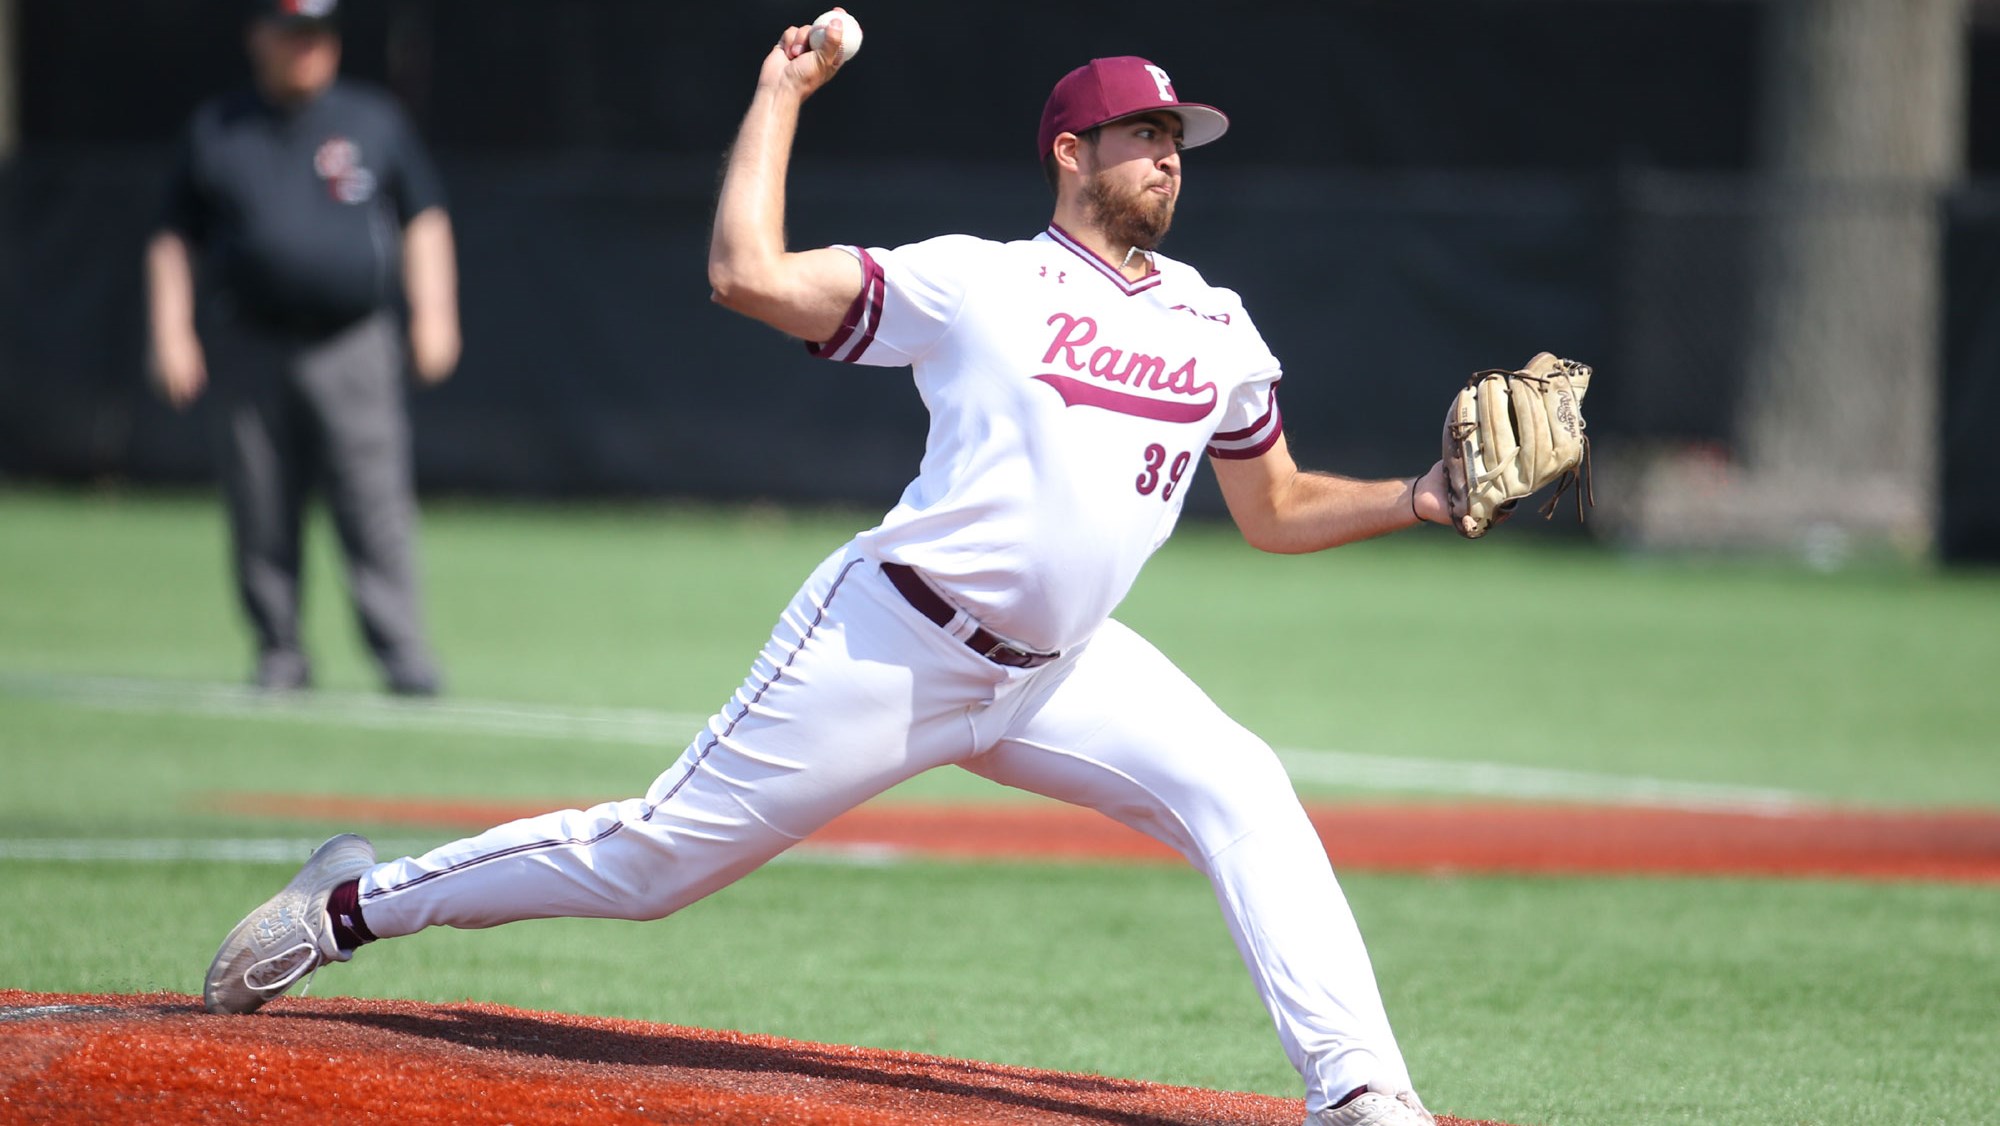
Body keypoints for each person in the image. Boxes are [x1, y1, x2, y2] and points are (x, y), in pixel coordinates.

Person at [201, 14, 1453, 1126]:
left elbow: (1275, 505)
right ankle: (353, 903)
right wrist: (780, 95)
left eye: (1175, 133)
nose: (1166, 151)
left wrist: (1422, 494)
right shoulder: (980, 281)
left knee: (1239, 783)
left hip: (1063, 669)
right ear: (1067, 152)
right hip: (892, 643)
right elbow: (743, 275)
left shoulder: (1214, 318)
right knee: (648, 865)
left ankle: (1355, 1089)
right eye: (1137, 130)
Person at [146, 0, 459, 696]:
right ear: (257, 36)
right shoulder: (218, 128)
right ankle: (278, 651)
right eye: (293, 34)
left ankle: (401, 653)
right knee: (259, 503)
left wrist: (435, 314)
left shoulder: (373, 118)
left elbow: (424, 216)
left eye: (319, 34)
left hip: (353, 341)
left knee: (374, 501)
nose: (307, 48)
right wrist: (172, 330)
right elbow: (173, 236)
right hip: (250, 341)